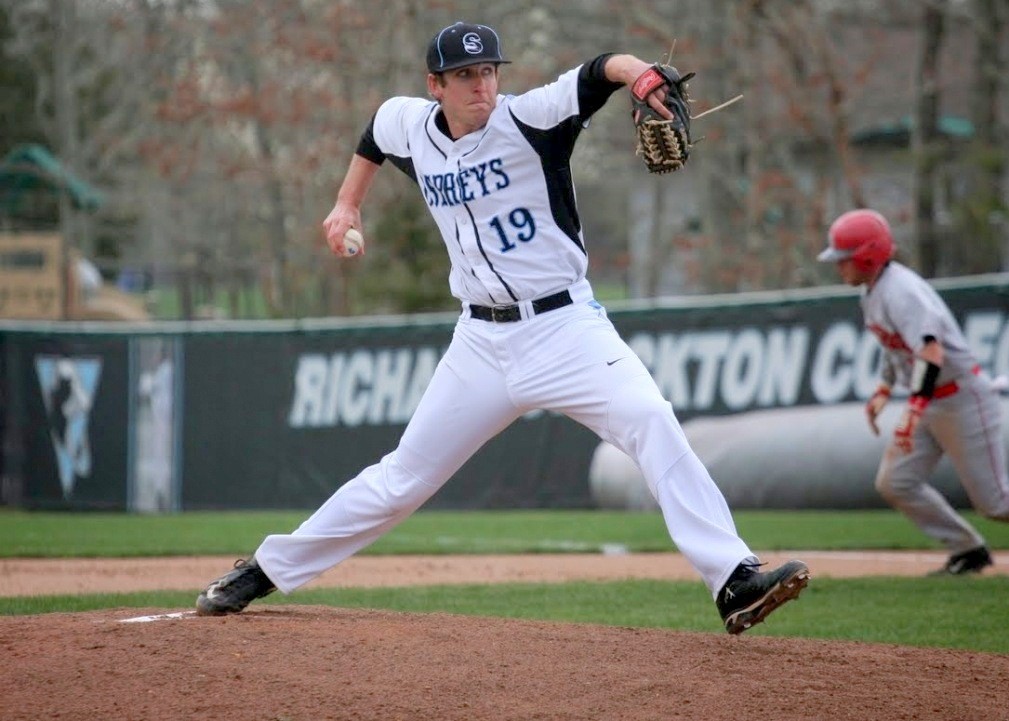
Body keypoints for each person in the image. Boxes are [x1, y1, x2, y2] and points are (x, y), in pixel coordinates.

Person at [196, 21, 809, 633]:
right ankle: (264, 571)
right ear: (434, 85)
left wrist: (642, 75)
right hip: (480, 346)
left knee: (651, 420)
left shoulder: (531, 120)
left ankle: (732, 578)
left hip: (565, 329)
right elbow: (373, 136)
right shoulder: (408, 124)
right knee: (402, 480)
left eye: (489, 71)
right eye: (465, 75)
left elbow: (600, 68)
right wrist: (346, 203)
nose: (481, 85)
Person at [817, 208, 1009, 574]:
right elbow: (896, 348)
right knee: (896, 482)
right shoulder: (872, 292)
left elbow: (931, 351)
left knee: (997, 503)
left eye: (844, 259)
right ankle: (968, 549)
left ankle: (969, 547)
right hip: (932, 400)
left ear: (866, 256)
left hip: (962, 398)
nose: (839, 267)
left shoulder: (903, 291)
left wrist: (913, 410)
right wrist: (884, 389)